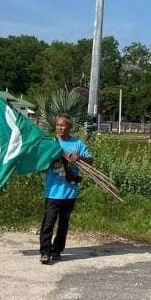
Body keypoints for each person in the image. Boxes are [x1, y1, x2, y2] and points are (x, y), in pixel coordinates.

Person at [38, 113, 92, 265]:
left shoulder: (77, 144)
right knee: (48, 222)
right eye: (57, 125)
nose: (59, 128)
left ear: (69, 127)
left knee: (63, 223)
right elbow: (42, 162)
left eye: (62, 125)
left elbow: (91, 161)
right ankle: (45, 252)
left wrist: (79, 158)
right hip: (53, 191)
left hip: (70, 193)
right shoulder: (51, 142)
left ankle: (57, 251)